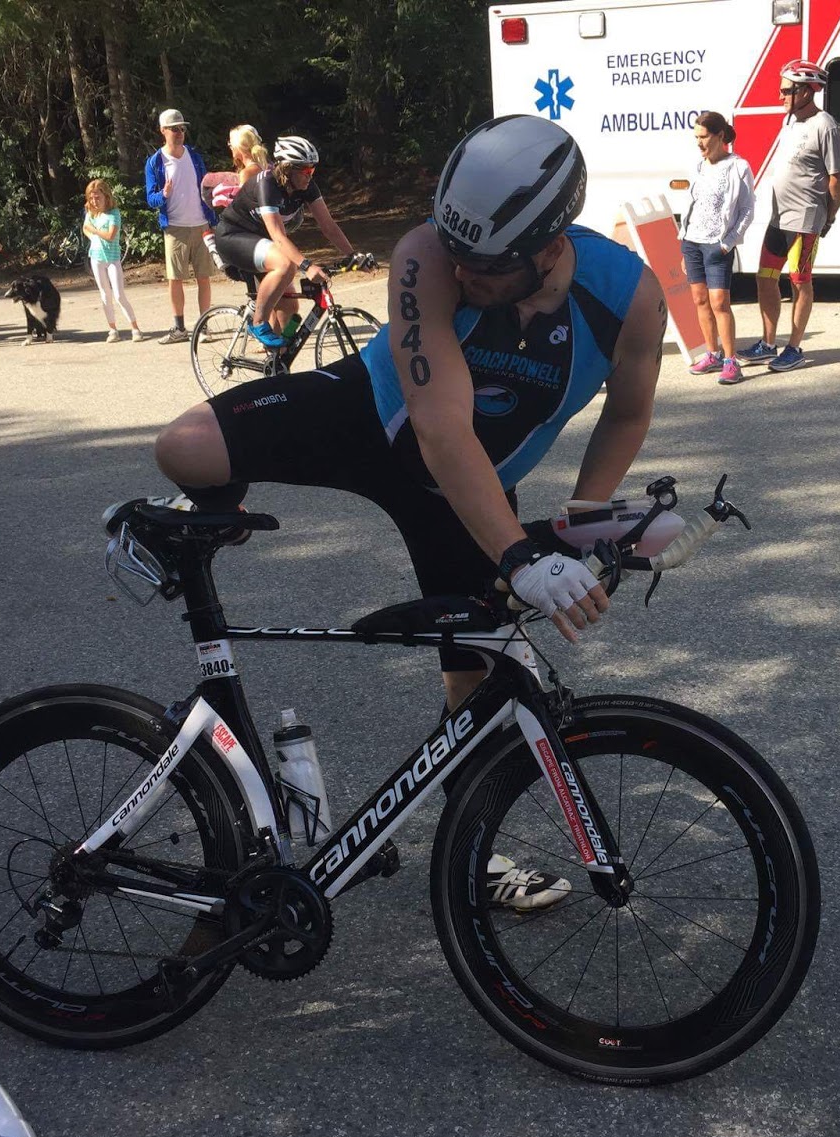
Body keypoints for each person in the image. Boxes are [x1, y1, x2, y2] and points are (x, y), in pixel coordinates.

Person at [151, 115, 667, 910]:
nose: (462, 273)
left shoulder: (627, 296)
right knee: (182, 446)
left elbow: (627, 413)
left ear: (550, 245)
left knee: (483, 681)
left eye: (485, 267)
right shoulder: (427, 253)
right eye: (455, 253)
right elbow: (439, 425)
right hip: (373, 417)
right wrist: (519, 556)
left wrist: (582, 515)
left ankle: (475, 853)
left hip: (467, 486)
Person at [736, 60, 840, 373]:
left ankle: (795, 347)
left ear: (807, 91)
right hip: (778, 218)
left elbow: (839, 176)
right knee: (764, 278)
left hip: (805, 221)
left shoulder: (826, 125)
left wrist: (829, 215)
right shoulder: (792, 122)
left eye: (787, 90)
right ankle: (767, 343)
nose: (781, 95)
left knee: (800, 283)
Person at [208, 135, 360, 348]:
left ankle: (278, 358)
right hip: (233, 237)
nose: (310, 175)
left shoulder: (307, 186)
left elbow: (328, 226)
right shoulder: (267, 185)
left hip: (262, 241)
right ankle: (257, 321)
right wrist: (307, 266)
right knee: (286, 265)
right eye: (305, 171)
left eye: (312, 170)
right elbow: (279, 236)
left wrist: (353, 255)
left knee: (289, 308)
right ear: (287, 169)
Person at [679, 112, 755, 386]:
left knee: (720, 303)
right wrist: (684, 242)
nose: (699, 143)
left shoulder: (738, 167)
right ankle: (712, 354)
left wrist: (729, 242)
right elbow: (692, 205)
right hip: (693, 242)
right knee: (700, 301)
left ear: (720, 136)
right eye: (696, 137)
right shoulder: (698, 167)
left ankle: (731, 361)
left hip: (718, 245)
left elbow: (747, 210)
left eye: (704, 137)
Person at [144, 109, 217, 344]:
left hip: (201, 224)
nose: (180, 133)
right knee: (175, 279)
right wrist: (163, 195)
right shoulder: (155, 162)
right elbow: (150, 199)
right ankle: (179, 328)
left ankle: (204, 327)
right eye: (174, 128)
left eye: (182, 128)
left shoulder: (194, 157)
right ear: (162, 131)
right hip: (174, 227)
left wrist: (213, 220)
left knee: (204, 277)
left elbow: (206, 189)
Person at [82, 179, 142, 343]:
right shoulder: (90, 211)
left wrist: (94, 231)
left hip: (112, 258)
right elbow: (85, 228)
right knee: (104, 294)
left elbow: (110, 236)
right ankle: (113, 329)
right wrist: (93, 237)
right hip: (96, 257)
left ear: (106, 196)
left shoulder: (113, 213)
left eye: (98, 197)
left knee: (119, 295)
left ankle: (135, 328)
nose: (95, 201)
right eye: (92, 198)